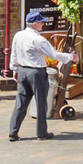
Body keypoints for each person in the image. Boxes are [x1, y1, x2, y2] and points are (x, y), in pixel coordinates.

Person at [8, 10, 74, 141]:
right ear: (35, 24)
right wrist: (71, 57)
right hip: (36, 73)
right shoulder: (38, 40)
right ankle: (42, 133)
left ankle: (13, 132)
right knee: (41, 103)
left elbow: (13, 54)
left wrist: (14, 69)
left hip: (22, 70)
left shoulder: (18, 35)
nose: (43, 25)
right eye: (41, 22)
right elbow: (54, 55)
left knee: (20, 103)